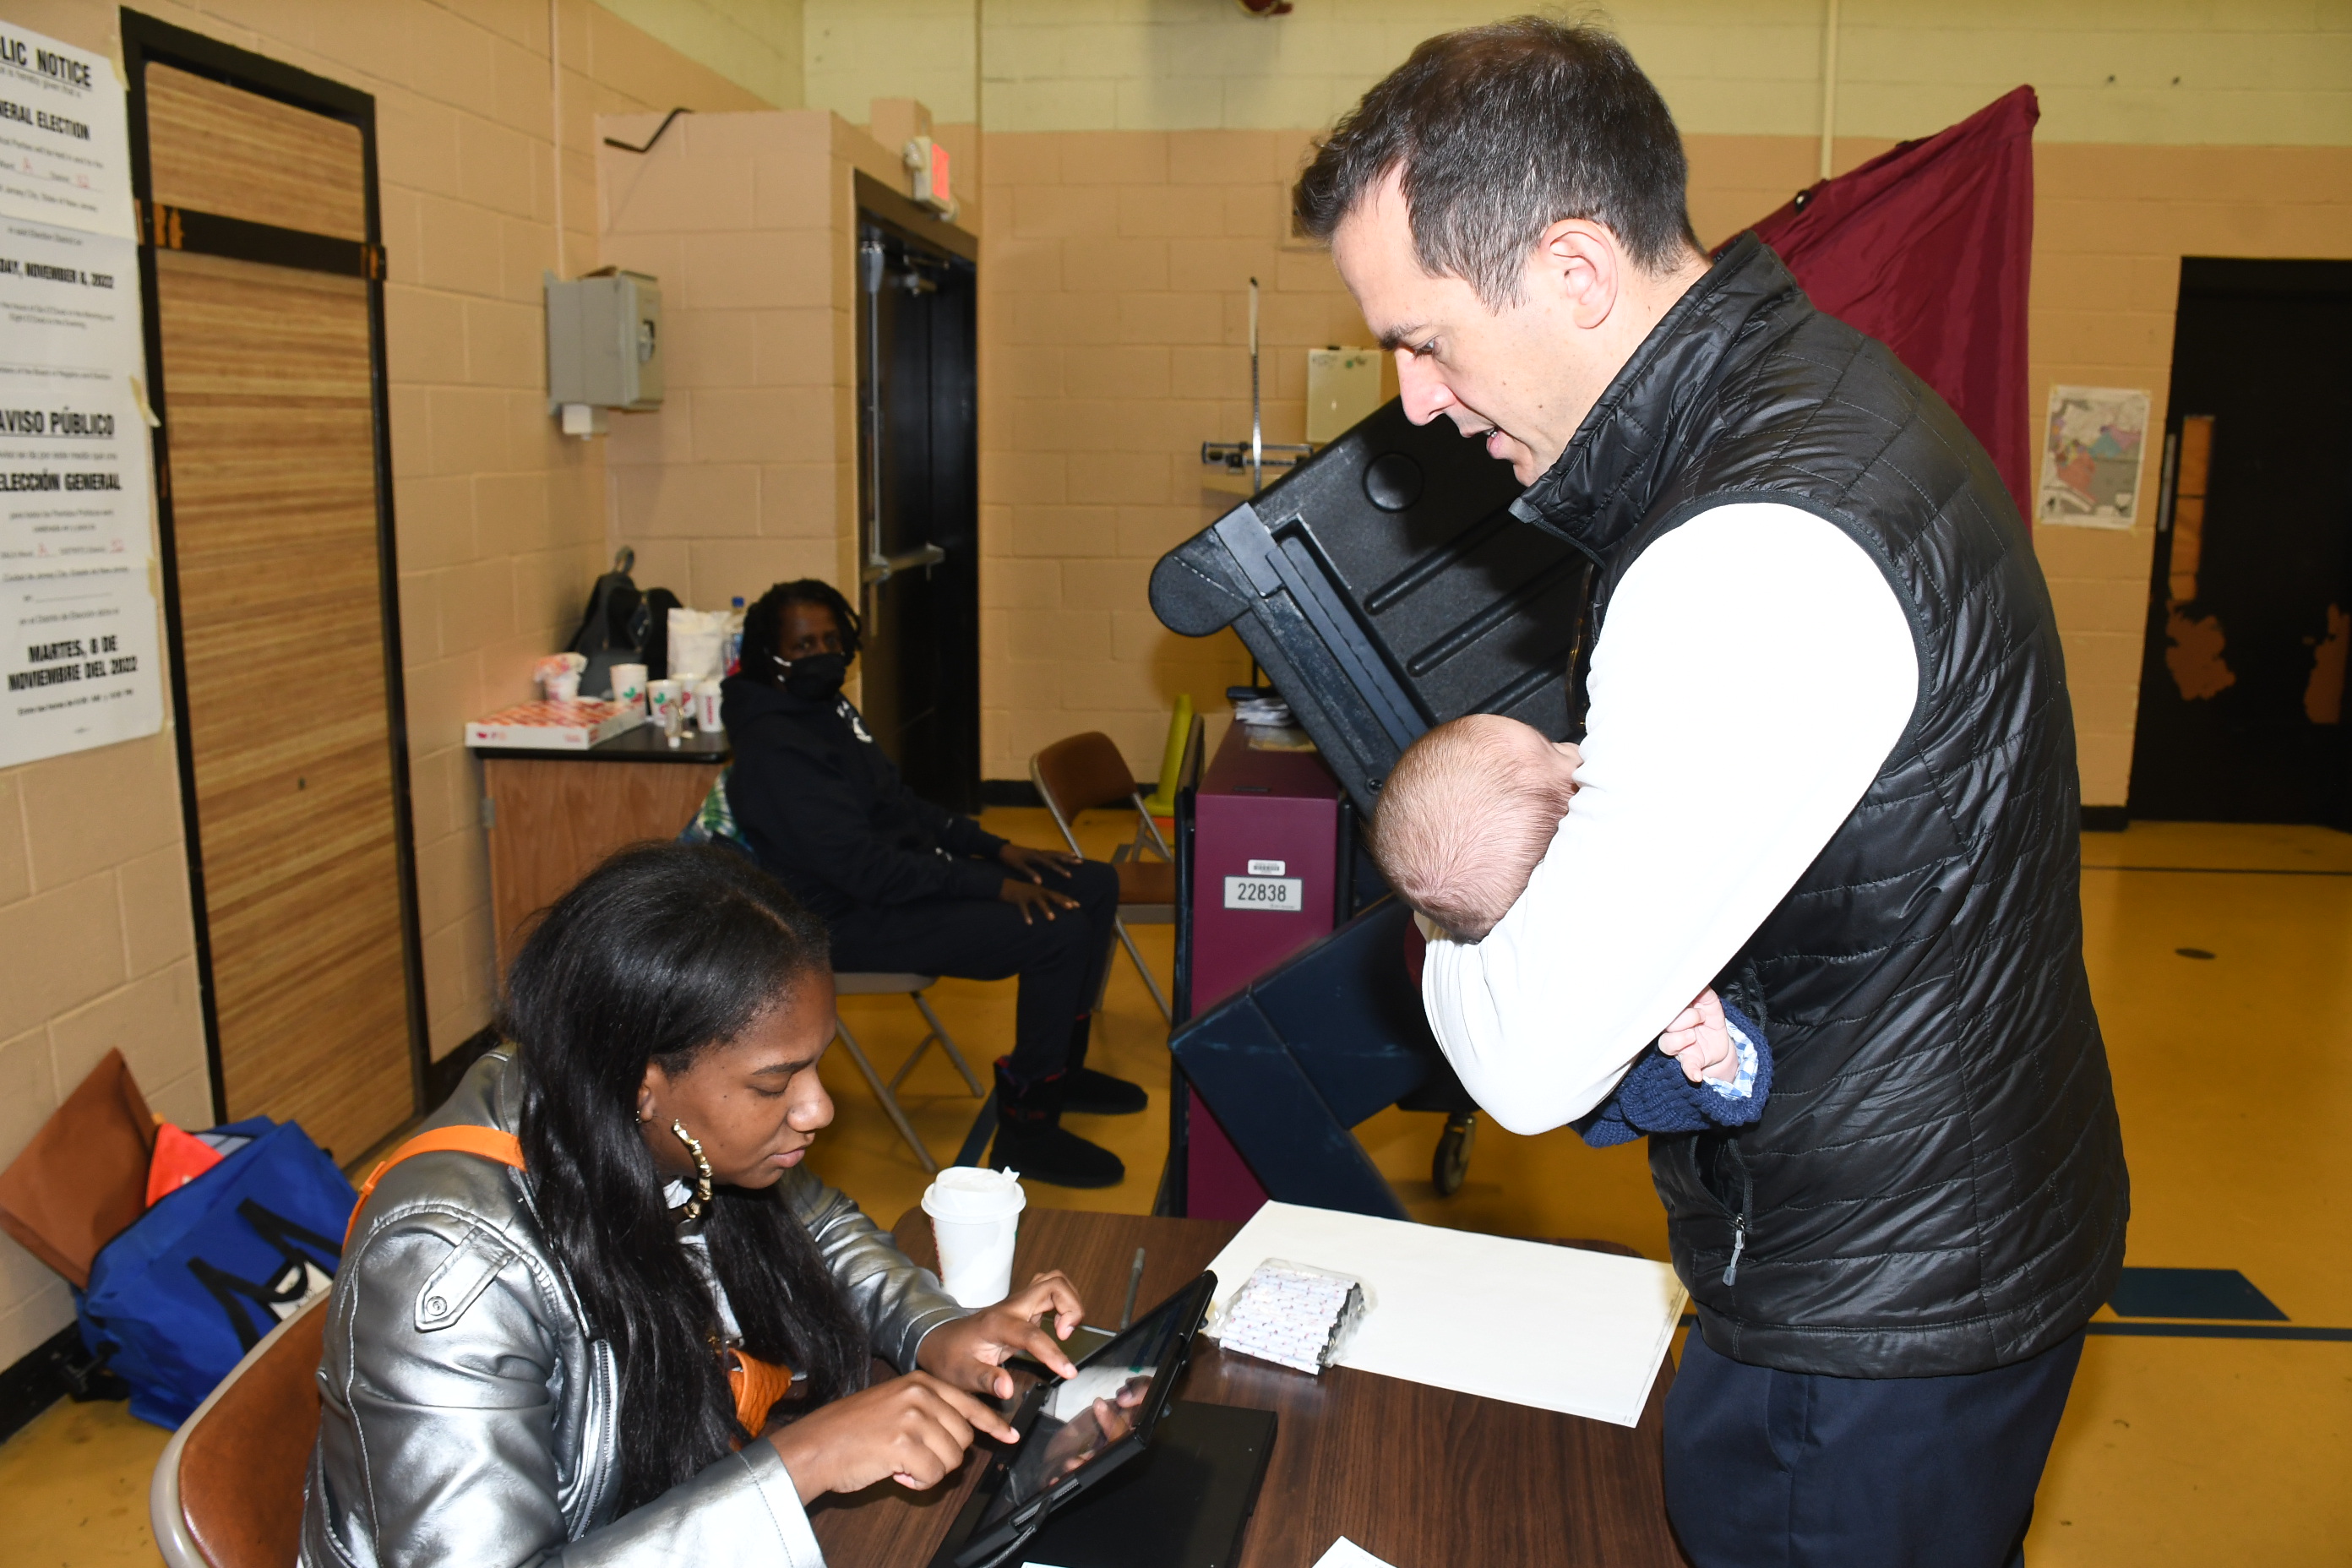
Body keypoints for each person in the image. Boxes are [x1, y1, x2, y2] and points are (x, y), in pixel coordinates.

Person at [1296, 19, 2127, 1567]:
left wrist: (1441, 897)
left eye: (1419, 336)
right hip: (1937, 1233)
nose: (1411, 400)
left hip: (1872, 1323)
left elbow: (1530, 1057)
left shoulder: (1750, 547)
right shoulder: (1810, 399)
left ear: (1570, 271)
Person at [303, 844, 1093, 1567]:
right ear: (643, 1087)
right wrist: (801, 1464)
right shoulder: (449, 1269)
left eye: (817, 1066)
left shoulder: (641, 1111)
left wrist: (936, 1327)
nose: (817, 1109)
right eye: (775, 1082)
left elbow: (818, 1228)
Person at [720, 579, 1142, 1190]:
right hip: (837, 921)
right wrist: (990, 886)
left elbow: (900, 806)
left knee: (1093, 883)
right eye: (805, 645)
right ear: (769, 655)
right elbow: (863, 869)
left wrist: (997, 849)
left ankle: (1062, 1073)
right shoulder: (773, 747)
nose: (824, 655)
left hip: (891, 884)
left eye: (833, 640)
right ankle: (1027, 1131)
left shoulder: (827, 708)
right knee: (1055, 929)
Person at [1369, 712, 1760, 1106]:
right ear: (1573, 830)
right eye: (1554, 748)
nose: (1576, 746)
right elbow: (1633, 1100)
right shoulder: (1572, 998)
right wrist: (1721, 1063)